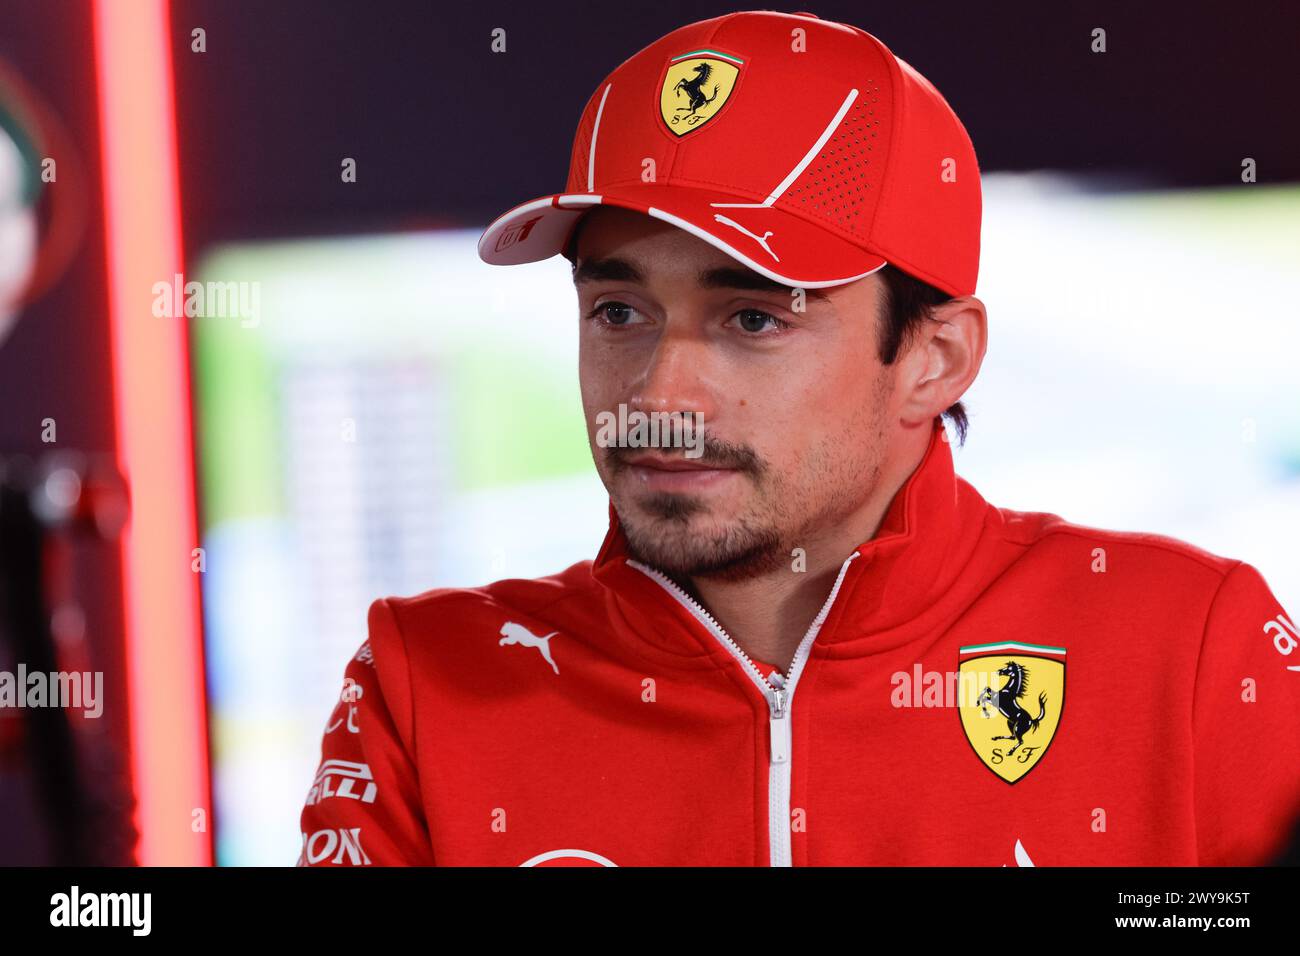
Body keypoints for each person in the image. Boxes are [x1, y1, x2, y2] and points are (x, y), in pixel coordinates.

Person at [297, 10, 1300, 867]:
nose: (658, 390)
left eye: (753, 320)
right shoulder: (422, 686)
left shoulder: (1196, 651)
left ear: (935, 357)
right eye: (617, 311)